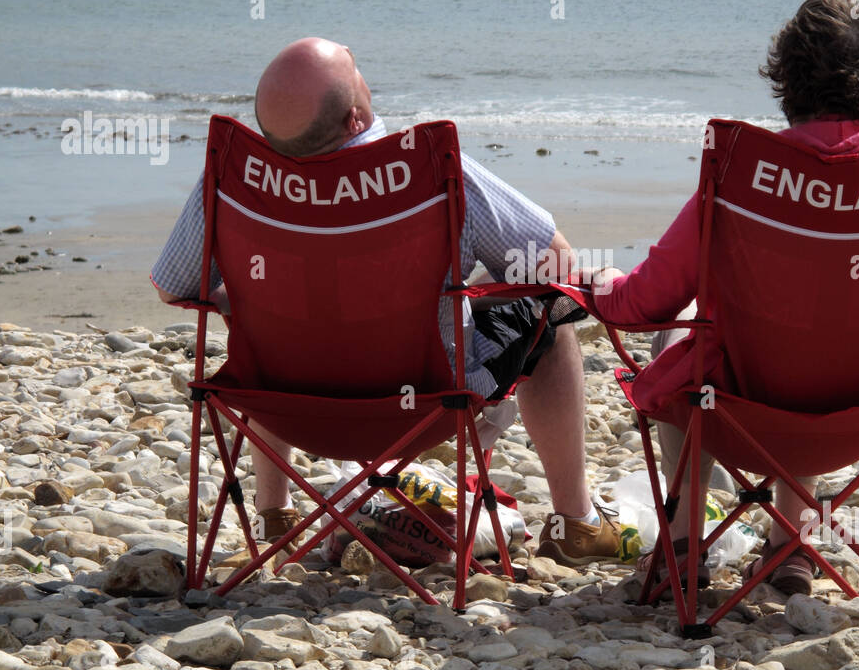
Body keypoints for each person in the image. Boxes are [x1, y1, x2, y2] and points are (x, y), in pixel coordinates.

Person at [151, 38, 620, 568]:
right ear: (355, 118)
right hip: (422, 406)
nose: (359, 60)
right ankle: (575, 522)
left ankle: (275, 518)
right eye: (355, 69)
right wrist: (485, 274)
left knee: (259, 315)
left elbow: (173, 286)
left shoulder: (232, 175)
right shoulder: (432, 170)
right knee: (550, 320)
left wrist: (242, 294)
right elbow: (555, 265)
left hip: (283, 403)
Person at [587, 0, 859, 593]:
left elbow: (645, 304)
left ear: (785, 78)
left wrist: (596, 287)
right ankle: (790, 547)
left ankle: (685, 543)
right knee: (821, 333)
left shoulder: (744, 173)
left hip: (743, 411)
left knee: (697, 327)